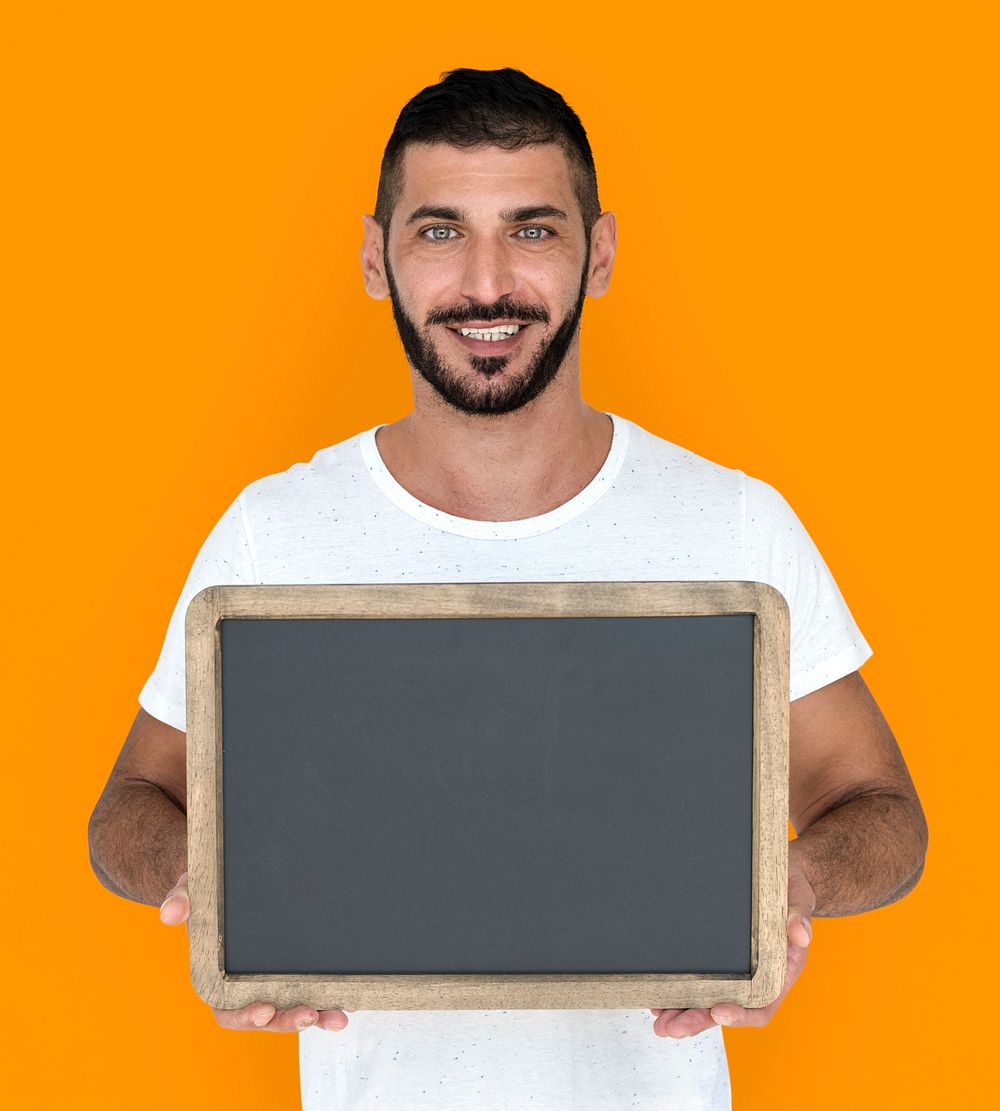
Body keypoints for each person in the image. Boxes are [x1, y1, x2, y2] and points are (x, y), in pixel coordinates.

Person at [88, 67, 928, 1110]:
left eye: (532, 230)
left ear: (599, 254)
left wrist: (794, 883)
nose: (486, 284)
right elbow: (132, 806)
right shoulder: (275, 531)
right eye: (440, 231)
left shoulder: (735, 523)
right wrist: (211, 879)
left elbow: (880, 808)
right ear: (374, 259)